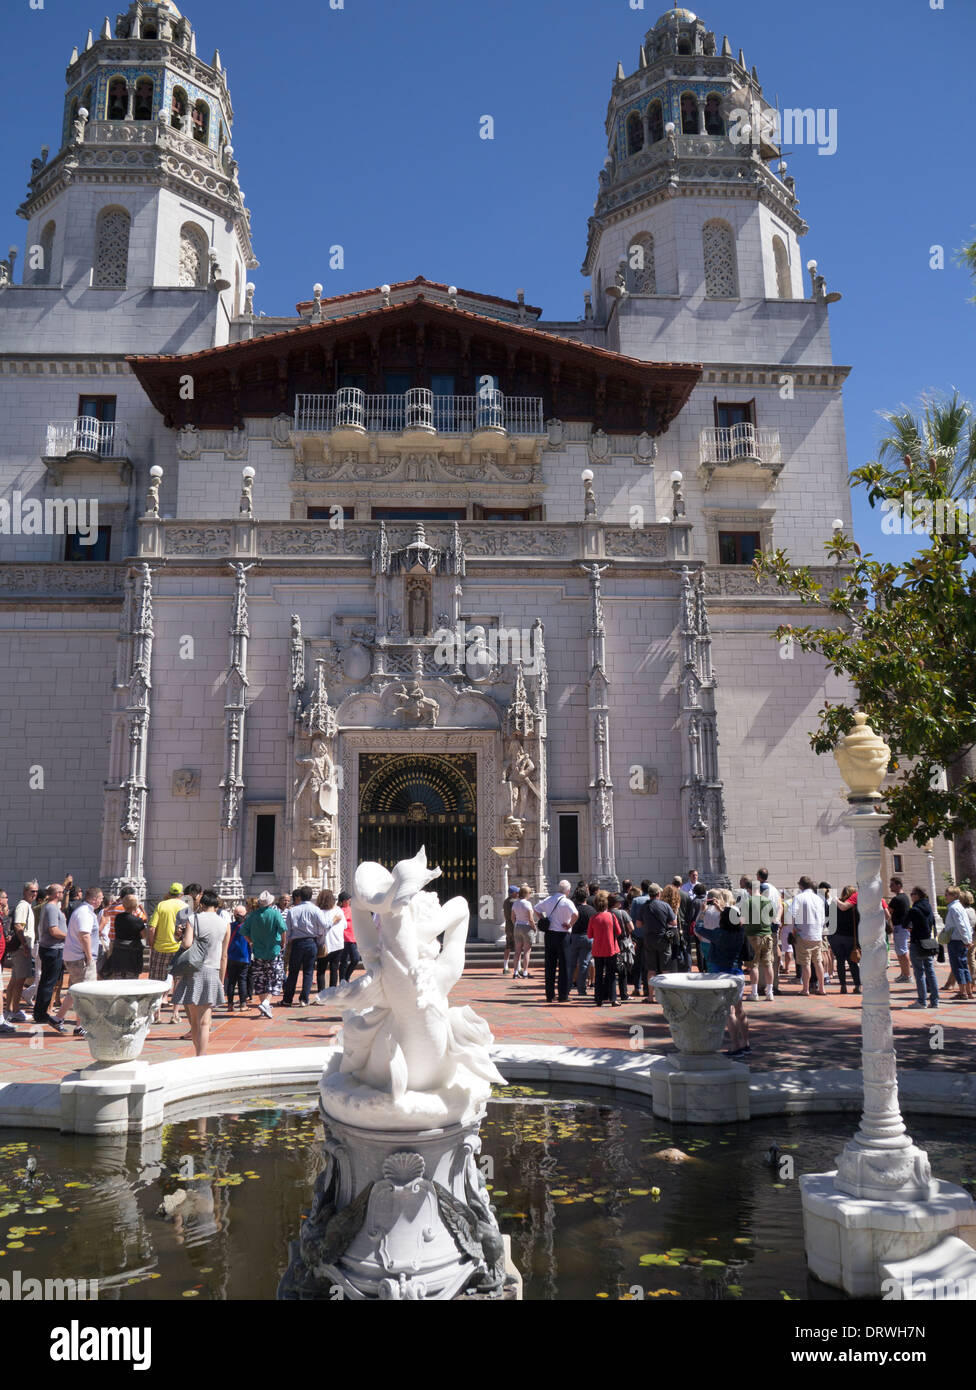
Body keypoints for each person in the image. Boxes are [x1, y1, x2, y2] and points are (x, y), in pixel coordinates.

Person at [180, 889, 230, 1056]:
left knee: (194, 1020)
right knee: (205, 1021)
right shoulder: (224, 924)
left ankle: (197, 1054)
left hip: (193, 970)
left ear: (202, 904)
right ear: (217, 905)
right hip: (212, 971)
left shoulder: (193, 919)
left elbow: (187, 944)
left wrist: (181, 936)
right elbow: (224, 955)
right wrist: (221, 981)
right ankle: (201, 1056)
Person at [55, 884, 102, 1036]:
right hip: (81, 958)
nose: (102, 901)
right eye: (101, 898)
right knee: (87, 993)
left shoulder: (84, 911)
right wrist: (89, 957)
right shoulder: (85, 913)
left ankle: (58, 1018)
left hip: (75, 957)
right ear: (94, 899)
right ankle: (81, 1025)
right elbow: (84, 935)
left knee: (75, 990)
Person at [711, 902, 750, 1057]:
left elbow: (698, 929)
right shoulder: (740, 932)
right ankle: (746, 1043)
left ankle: (735, 1046)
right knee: (740, 1010)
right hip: (738, 974)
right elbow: (739, 921)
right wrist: (726, 910)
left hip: (723, 975)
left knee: (729, 1012)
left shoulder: (718, 933)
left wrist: (702, 913)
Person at [243, 890, 287, 1018]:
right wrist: (283, 943)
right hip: (274, 950)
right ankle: (266, 1002)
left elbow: (244, 931)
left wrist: (251, 942)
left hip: (258, 952)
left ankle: (264, 1005)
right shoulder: (275, 914)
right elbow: (283, 930)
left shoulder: (253, 915)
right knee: (274, 978)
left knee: (260, 979)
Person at [283, 886, 329, 1007]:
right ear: (311, 896)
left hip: (297, 942)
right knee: (308, 971)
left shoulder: (292, 911)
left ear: (300, 897)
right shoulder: (315, 910)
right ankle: (304, 999)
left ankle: (288, 999)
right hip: (311, 942)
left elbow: (287, 930)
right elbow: (324, 925)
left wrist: (287, 942)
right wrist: (320, 937)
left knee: (293, 971)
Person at [534, 880, 578, 1003]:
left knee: (550, 966)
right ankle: (563, 995)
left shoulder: (549, 899)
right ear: (568, 891)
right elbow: (576, 914)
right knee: (564, 966)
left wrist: (543, 919)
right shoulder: (567, 902)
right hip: (563, 935)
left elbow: (536, 908)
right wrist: (569, 924)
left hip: (550, 935)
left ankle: (550, 994)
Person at [32, 883, 67, 1033]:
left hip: (53, 948)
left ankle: (40, 1011)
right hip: (52, 949)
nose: (63, 894)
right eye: (61, 892)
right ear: (55, 894)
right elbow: (54, 930)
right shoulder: (52, 908)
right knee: (48, 982)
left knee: (48, 981)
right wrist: (70, 936)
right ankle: (40, 1013)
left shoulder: (51, 907)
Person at [148, 882, 188, 1009]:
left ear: (169, 893)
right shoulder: (185, 906)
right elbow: (188, 928)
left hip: (160, 948)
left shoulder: (161, 905)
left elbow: (152, 928)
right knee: (178, 980)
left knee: (157, 981)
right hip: (178, 948)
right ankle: (175, 1013)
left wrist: (151, 943)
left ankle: (157, 1011)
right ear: (181, 894)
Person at [785, 876, 827, 997]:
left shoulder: (799, 898)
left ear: (801, 886)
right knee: (818, 962)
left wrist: (793, 929)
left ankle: (806, 988)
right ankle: (822, 988)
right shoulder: (819, 899)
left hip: (803, 934)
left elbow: (791, 915)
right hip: (817, 934)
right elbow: (823, 918)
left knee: (805, 963)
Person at [637, 883, 677, 1002]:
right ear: (659, 893)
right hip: (663, 939)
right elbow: (674, 922)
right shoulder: (665, 905)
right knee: (665, 968)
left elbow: (638, 924)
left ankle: (650, 996)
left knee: (651, 969)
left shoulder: (644, 907)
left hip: (649, 939)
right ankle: (666, 996)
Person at [5, 881, 38, 1022]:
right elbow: (18, 925)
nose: (35, 894)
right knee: (20, 980)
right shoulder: (23, 906)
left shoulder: (27, 906)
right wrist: (24, 945)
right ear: (25, 892)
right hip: (21, 949)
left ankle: (9, 1009)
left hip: (21, 948)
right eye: (32, 891)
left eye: (36, 891)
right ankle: (15, 1010)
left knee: (15, 979)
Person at [171, 885, 204, 1027]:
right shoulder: (182, 913)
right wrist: (178, 933)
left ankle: (202, 1026)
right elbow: (177, 938)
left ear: (200, 896)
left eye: (194, 898)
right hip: (187, 956)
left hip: (202, 956)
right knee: (186, 995)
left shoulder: (206, 913)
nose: (191, 901)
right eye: (188, 898)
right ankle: (194, 1027)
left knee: (200, 995)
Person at [739, 877, 775, 1001]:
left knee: (753, 965)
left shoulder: (747, 902)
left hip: (752, 935)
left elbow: (742, 921)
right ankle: (770, 992)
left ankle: (754, 993)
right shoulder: (767, 901)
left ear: (749, 889)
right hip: (767, 934)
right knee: (768, 964)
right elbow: (772, 918)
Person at [905, 886, 939, 1009]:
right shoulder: (929, 907)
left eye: (912, 894)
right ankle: (934, 1001)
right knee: (930, 971)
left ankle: (922, 1001)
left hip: (917, 942)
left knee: (919, 972)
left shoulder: (915, 909)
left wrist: (911, 927)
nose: (911, 896)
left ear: (917, 895)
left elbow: (905, 923)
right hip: (928, 942)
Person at [587, 890, 621, 1006]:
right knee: (611, 974)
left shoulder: (593, 918)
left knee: (598, 974)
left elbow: (589, 935)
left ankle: (598, 998)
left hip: (597, 949)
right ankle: (613, 998)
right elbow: (619, 931)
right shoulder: (611, 916)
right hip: (611, 948)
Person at [101, 893, 146, 979]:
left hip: (119, 951)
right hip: (133, 953)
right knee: (131, 979)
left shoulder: (118, 918)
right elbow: (144, 935)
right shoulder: (137, 921)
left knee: (119, 978)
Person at [944, 886, 974, 1001]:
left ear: (954, 896)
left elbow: (961, 925)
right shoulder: (959, 907)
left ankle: (962, 992)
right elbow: (966, 925)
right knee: (963, 965)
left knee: (958, 967)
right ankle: (969, 992)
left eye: (947, 894)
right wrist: (968, 939)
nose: (945, 896)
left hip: (956, 940)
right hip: (961, 939)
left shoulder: (953, 908)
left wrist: (966, 940)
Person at [313, 890, 346, 995]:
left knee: (321, 970)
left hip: (323, 944)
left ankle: (322, 993)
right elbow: (345, 925)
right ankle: (332, 992)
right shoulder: (338, 911)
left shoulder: (318, 912)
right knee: (334, 968)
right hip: (337, 943)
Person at [830, 886, 861, 994]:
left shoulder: (835, 904)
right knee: (853, 961)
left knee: (840, 961)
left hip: (836, 936)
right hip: (850, 937)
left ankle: (843, 985)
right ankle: (857, 985)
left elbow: (830, 922)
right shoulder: (855, 906)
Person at [567, 887, 594, 997]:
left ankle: (567, 988)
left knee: (571, 964)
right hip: (587, 937)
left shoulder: (573, 909)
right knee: (584, 964)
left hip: (574, 937)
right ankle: (581, 989)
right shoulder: (591, 910)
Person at [607, 892, 634, 1002]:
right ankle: (624, 993)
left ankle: (610, 993)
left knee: (610, 969)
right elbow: (631, 928)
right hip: (623, 942)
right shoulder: (622, 913)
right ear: (617, 902)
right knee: (623, 968)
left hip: (610, 942)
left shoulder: (607, 913)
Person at [224, 911, 252, 1011]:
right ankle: (243, 1004)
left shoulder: (230, 926)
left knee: (231, 981)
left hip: (231, 956)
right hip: (244, 957)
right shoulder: (247, 927)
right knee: (242, 980)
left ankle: (230, 1005)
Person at [888, 876, 913, 984]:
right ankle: (904, 974)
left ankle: (907, 975)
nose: (890, 887)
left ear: (898, 885)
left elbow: (888, 912)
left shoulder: (897, 899)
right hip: (903, 927)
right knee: (901, 951)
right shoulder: (905, 897)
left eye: (892, 884)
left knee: (902, 951)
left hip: (900, 927)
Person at [510, 885, 537, 980]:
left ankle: (515, 972)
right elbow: (530, 918)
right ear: (526, 894)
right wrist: (534, 927)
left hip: (517, 927)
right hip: (526, 927)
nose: (530, 895)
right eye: (529, 893)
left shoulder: (515, 903)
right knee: (526, 951)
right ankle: (525, 972)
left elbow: (512, 917)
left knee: (517, 951)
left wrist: (516, 924)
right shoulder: (527, 904)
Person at [338, 891, 361, 981]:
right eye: (348, 899)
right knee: (344, 961)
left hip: (352, 937)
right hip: (344, 938)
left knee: (355, 959)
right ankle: (343, 979)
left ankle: (346, 977)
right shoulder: (339, 911)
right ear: (344, 901)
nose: (349, 901)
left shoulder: (351, 909)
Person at [502, 885, 518, 975]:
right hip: (514, 925)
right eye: (516, 892)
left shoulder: (505, 901)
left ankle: (505, 966)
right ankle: (518, 967)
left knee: (508, 946)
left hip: (508, 926)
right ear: (513, 893)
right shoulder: (514, 902)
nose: (518, 894)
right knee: (517, 947)